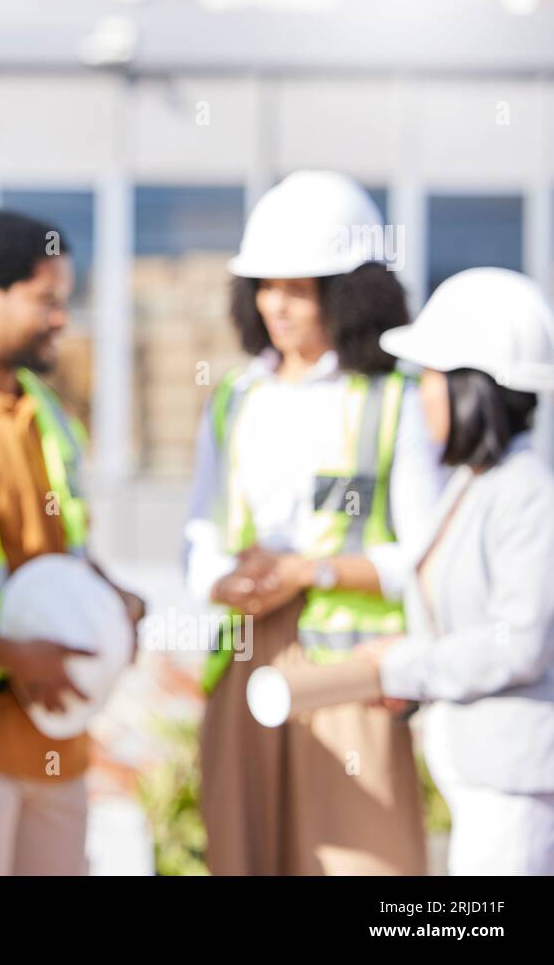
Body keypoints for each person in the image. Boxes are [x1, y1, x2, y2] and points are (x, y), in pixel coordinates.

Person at [184, 171, 446, 875]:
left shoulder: (399, 398)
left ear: (349, 294)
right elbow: (201, 537)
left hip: (349, 675)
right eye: (266, 286)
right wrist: (224, 582)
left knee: (365, 863)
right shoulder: (235, 400)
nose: (277, 306)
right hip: (245, 661)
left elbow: (425, 556)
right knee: (246, 855)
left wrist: (313, 572)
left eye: (298, 289)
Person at [0, 209, 143, 876]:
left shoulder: (51, 416)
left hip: (60, 744)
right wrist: (14, 655)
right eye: (46, 300)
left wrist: (114, 601)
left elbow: (64, 553)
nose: (61, 319)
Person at [365, 267, 554, 875]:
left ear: (476, 388)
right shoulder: (473, 487)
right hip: (476, 775)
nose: (421, 398)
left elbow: (519, 644)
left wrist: (407, 666)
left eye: (433, 380)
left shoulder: (526, 493)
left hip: (516, 783)